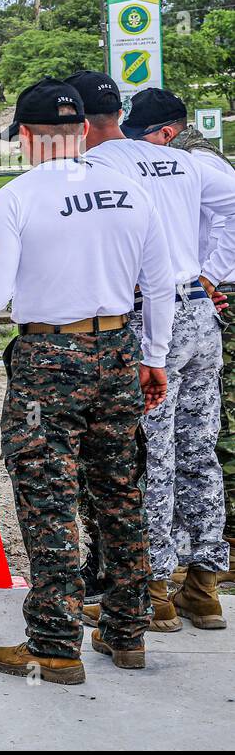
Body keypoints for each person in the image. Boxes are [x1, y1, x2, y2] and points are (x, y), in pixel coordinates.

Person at [0, 78, 174, 683]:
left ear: (24, 134)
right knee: (119, 490)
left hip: (49, 358)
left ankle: (53, 642)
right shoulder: (130, 190)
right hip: (120, 349)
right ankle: (127, 630)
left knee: (48, 496)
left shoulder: (17, 196)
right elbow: (163, 283)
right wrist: (154, 357)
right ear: (82, 131)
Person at [122, 86, 235, 611]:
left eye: (145, 135)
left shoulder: (129, 167)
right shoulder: (198, 168)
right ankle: (205, 587)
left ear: (167, 131)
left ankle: (156, 588)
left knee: (156, 453)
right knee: (200, 447)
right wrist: (213, 274)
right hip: (199, 313)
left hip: (154, 314)